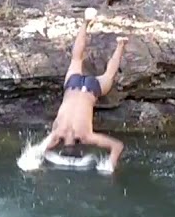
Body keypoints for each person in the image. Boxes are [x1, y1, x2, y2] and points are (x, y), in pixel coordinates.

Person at [44, 9, 129, 172]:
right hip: (73, 85)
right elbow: (40, 151)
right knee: (77, 58)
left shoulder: (85, 137)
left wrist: (109, 166)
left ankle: (120, 44)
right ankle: (85, 22)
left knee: (108, 74)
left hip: (91, 89)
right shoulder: (56, 135)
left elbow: (117, 146)